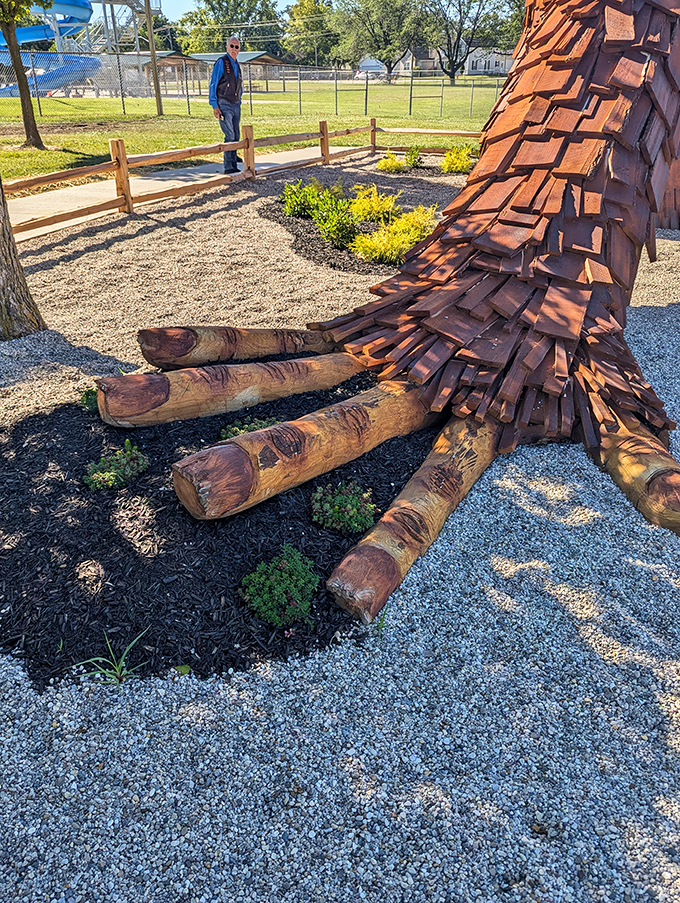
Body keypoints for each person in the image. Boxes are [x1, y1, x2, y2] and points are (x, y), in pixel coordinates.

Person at [209, 35, 243, 174]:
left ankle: (233, 157)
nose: (234, 49)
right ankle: (229, 166)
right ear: (227, 47)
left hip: (235, 104)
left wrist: (239, 101)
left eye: (237, 47)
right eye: (232, 46)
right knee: (229, 134)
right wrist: (215, 105)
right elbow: (213, 83)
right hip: (224, 103)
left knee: (236, 135)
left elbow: (239, 86)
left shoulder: (237, 65)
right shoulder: (222, 62)